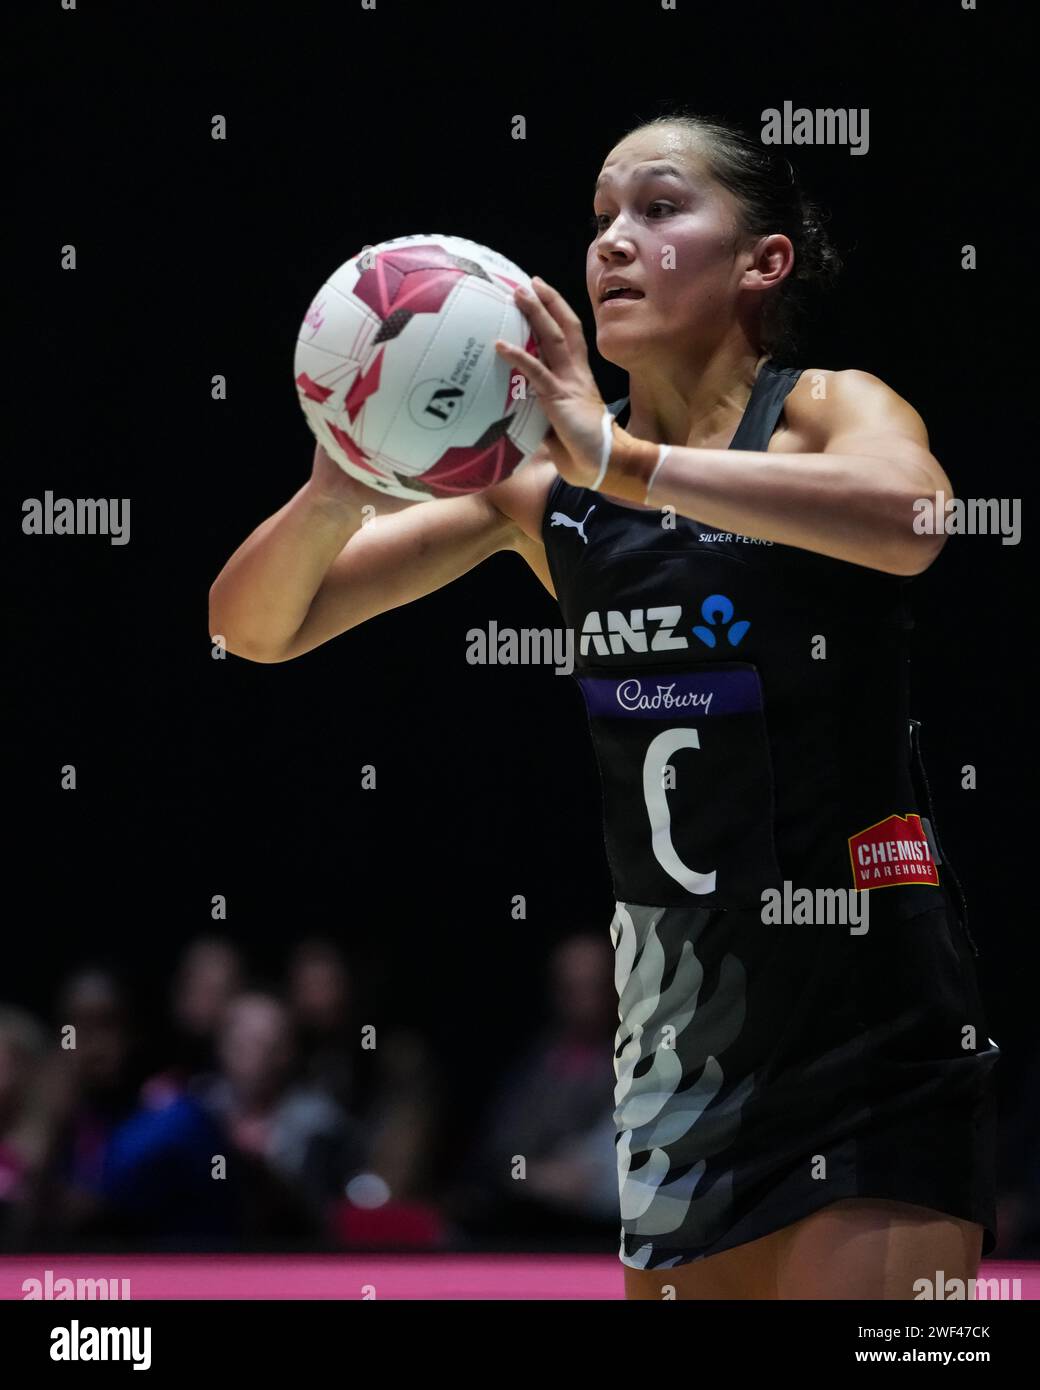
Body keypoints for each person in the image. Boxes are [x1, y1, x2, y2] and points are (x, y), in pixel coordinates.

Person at [208, 111, 1000, 1299]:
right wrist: (340, 476)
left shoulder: (825, 411)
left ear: (761, 263)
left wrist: (620, 462)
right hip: (681, 1059)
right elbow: (251, 627)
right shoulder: (542, 497)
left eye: (660, 208)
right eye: (599, 219)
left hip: (870, 1031)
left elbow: (916, 522)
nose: (614, 242)